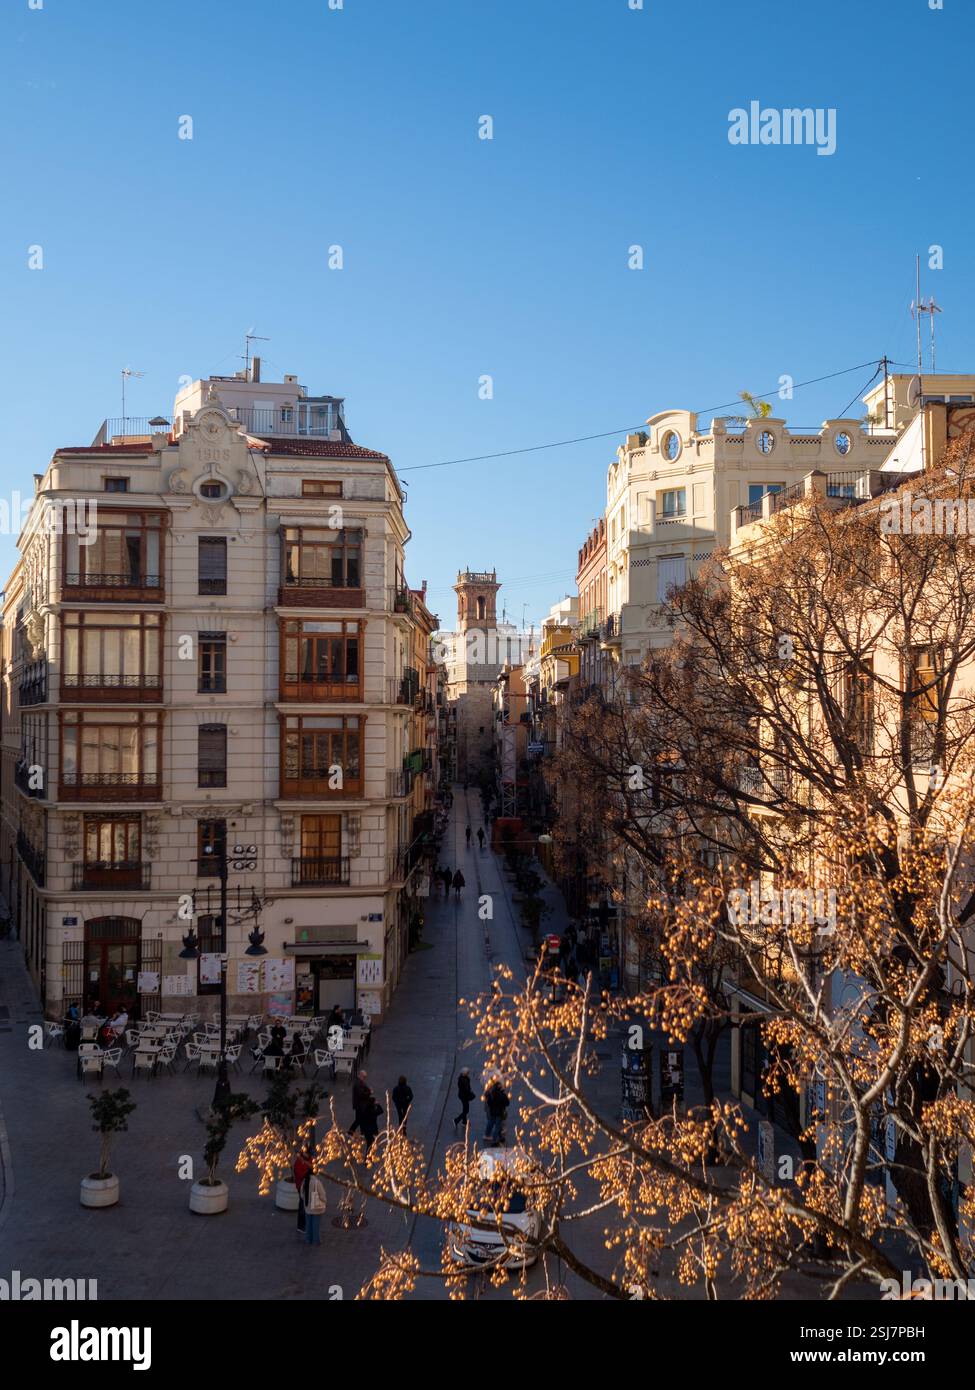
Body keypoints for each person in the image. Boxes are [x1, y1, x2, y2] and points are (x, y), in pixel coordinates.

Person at [302, 1161, 327, 1245]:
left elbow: (302, 1194)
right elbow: (322, 1195)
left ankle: (308, 1239)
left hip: (308, 1207)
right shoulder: (317, 1183)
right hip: (317, 1209)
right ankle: (316, 1241)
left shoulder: (305, 1181)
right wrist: (324, 1201)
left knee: (308, 1224)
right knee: (316, 1225)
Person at [293, 1147, 312, 1236]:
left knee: (306, 1204)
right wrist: (308, 1170)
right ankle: (301, 1225)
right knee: (302, 1205)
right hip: (301, 1186)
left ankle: (307, 1222)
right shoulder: (298, 1162)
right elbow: (300, 1174)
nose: (308, 1155)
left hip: (309, 1185)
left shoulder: (309, 1159)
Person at [484, 1079, 509, 1145]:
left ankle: (491, 1135)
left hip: (492, 1112)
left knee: (491, 1123)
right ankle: (495, 1140)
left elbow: (489, 1103)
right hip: (499, 1112)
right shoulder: (502, 1094)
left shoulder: (491, 1093)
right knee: (498, 1126)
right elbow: (507, 1103)